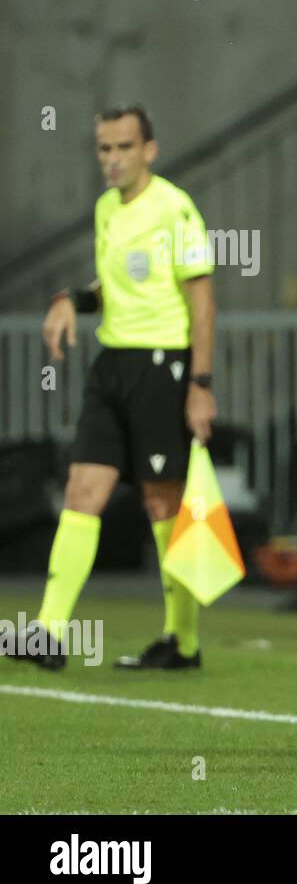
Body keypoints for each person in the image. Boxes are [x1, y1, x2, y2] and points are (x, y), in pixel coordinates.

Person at [2, 106, 216, 670]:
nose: (113, 159)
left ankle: (183, 640)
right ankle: (47, 632)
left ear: (149, 149)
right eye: (104, 149)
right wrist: (73, 299)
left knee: (161, 502)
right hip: (111, 367)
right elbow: (112, 286)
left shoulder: (174, 208)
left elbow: (202, 302)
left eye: (124, 147)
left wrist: (200, 383)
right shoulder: (104, 210)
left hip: (162, 366)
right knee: (82, 491)